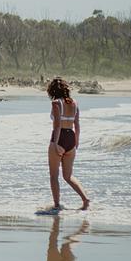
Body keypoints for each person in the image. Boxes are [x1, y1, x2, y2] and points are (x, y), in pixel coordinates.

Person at [43, 77, 90, 212]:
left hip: (60, 138)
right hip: (71, 139)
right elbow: (77, 125)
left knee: (53, 175)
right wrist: (76, 141)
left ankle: (57, 206)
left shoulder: (56, 103)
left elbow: (57, 126)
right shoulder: (74, 102)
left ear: (52, 91)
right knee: (68, 176)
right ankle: (85, 200)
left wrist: (56, 144)